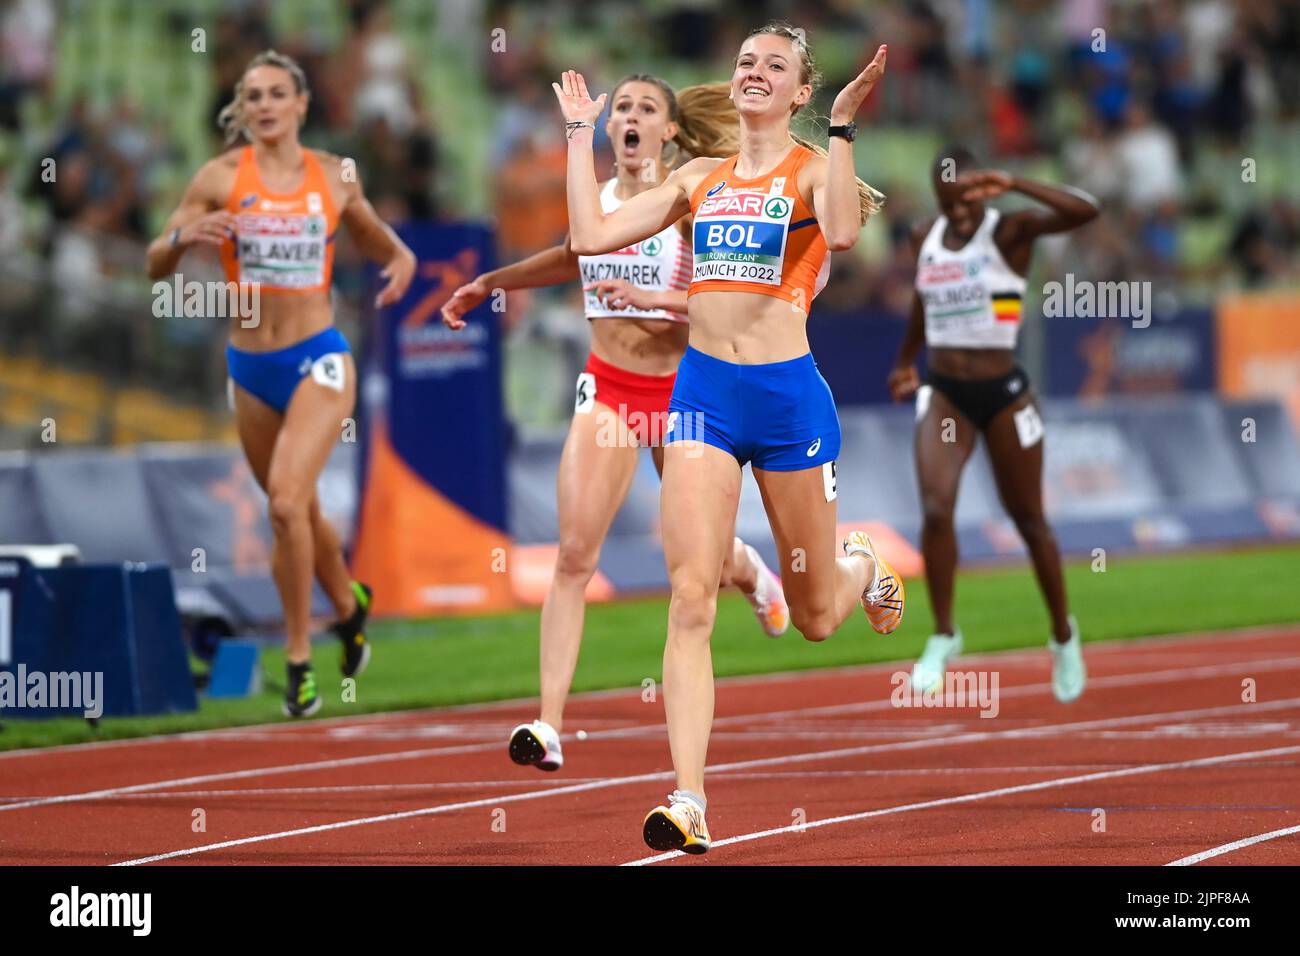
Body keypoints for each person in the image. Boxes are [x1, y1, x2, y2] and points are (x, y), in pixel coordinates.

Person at [554, 22, 901, 854]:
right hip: (703, 396)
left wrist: (846, 128)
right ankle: (689, 799)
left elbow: (847, 233)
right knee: (690, 596)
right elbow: (589, 237)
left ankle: (860, 566)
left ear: (800, 92)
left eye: (772, 65)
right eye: (745, 61)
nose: (752, 72)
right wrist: (576, 139)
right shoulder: (697, 176)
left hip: (788, 405)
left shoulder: (814, 170)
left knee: (817, 618)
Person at [442, 77, 790, 773]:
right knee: (574, 555)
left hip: (684, 394)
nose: (630, 117)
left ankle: (749, 569)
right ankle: (547, 724)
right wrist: (493, 283)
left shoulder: (690, 203)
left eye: (645, 109)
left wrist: (658, 298)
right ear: (608, 129)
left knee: (706, 567)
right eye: (621, 108)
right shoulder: (595, 203)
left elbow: (743, 300)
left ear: (668, 131)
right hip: (608, 388)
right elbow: (571, 254)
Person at [146, 50, 416, 717]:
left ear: (300, 104)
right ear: (244, 109)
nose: (264, 105)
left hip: (319, 358)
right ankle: (350, 606)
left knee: (288, 505)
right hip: (250, 367)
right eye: (252, 95)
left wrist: (402, 268)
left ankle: (299, 656)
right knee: (298, 514)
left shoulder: (336, 175)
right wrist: (184, 234)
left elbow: (383, 242)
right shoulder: (218, 176)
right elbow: (156, 265)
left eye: (275, 94)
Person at [887, 146, 1099, 704]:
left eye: (964, 202)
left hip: (1004, 394)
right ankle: (943, 633)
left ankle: (1062, 634)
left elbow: (1086, 211)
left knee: (1029, 519)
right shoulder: (925, 235)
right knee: (936, 508)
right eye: (946, 202)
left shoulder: (1011, 232)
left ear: (980, 192)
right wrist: (907, 359)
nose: (956, 213)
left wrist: (1017, 180)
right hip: (947, 393)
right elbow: (922, 302)